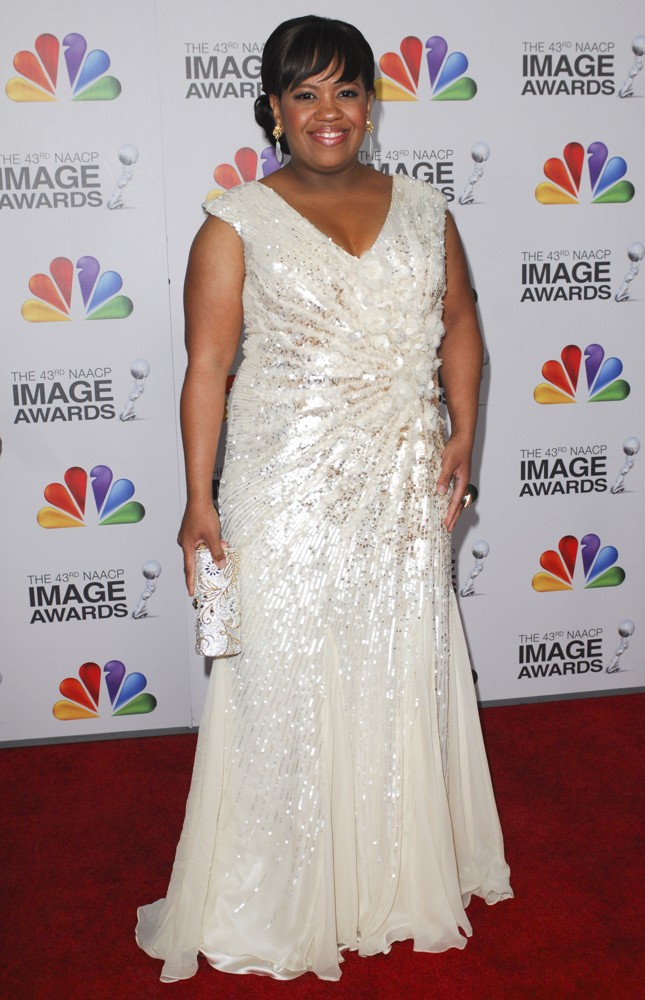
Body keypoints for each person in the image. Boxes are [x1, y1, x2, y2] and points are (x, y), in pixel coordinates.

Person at [136, 15, 512, 983]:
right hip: (285, 496)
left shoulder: (428, 211)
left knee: (394, 668)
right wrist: (195, 499)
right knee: (284, 691)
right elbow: (207, 369)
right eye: (303, 94)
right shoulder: (233, 223)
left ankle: (385, 879)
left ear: (371, 104)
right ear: (271, 110)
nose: (327, 113)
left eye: (345, 91)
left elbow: (460, 320)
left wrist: (461, 429)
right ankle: (275, 890)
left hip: (396, 491)